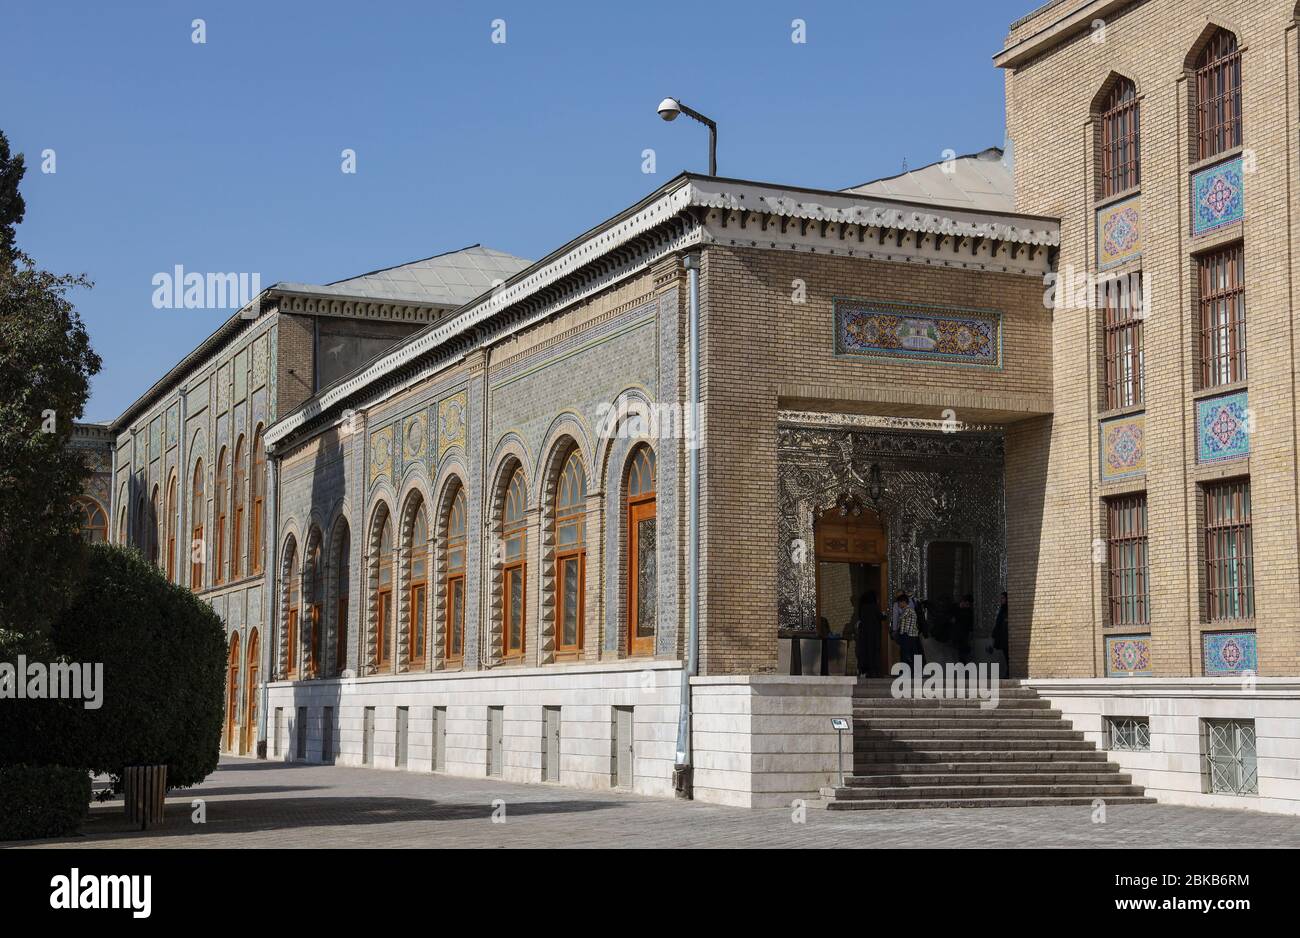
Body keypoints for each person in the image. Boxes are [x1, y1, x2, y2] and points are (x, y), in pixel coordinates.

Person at [855, 589, 882, 678]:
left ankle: (865, 671)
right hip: (874, 635)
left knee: (865, 652)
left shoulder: (862, 608)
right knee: (874, 652)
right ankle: (875, 671)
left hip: (864, 635)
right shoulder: (874, 607)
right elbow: (880, 617)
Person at [893, 592, 922, 671]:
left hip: (908, 635)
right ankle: (911, 671)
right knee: (910, 653)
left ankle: (909, 671)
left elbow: (904, 625)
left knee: (907, 654)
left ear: (903, 602)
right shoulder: (908, 610)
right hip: (910, 635)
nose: (898, 605)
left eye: (899, 602)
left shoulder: (908, 611)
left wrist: (899, 633)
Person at [952, 593, 974, 663]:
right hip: (959, 635)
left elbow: (969, 623)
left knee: (963, 653)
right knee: (960, 653)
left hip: (964, 635)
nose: (967, 605)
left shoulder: (968, 611)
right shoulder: (958, 609)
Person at [992, 591, 1009, 675]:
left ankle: (1009, 672)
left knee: (1008, 655)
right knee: (1005, 654)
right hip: (1002, 636)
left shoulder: (1007, 609)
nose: (1001, 600)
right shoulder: (1002, 609)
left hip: (1006, 636)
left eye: (1003, 598)